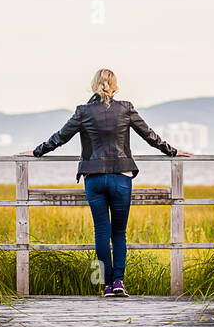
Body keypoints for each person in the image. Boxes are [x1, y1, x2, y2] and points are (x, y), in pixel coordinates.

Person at [21, 68, 191, 297]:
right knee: (119, 233)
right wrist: (172, 151)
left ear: (94, 85)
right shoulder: (126, 109)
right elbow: (149, 135)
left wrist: (35, 152)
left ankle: (106, 285)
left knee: (101, 231)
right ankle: (119, 281)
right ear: (115, 86)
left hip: (94, 178)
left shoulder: (83, 112)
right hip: (121, 177)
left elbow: (60, 137)